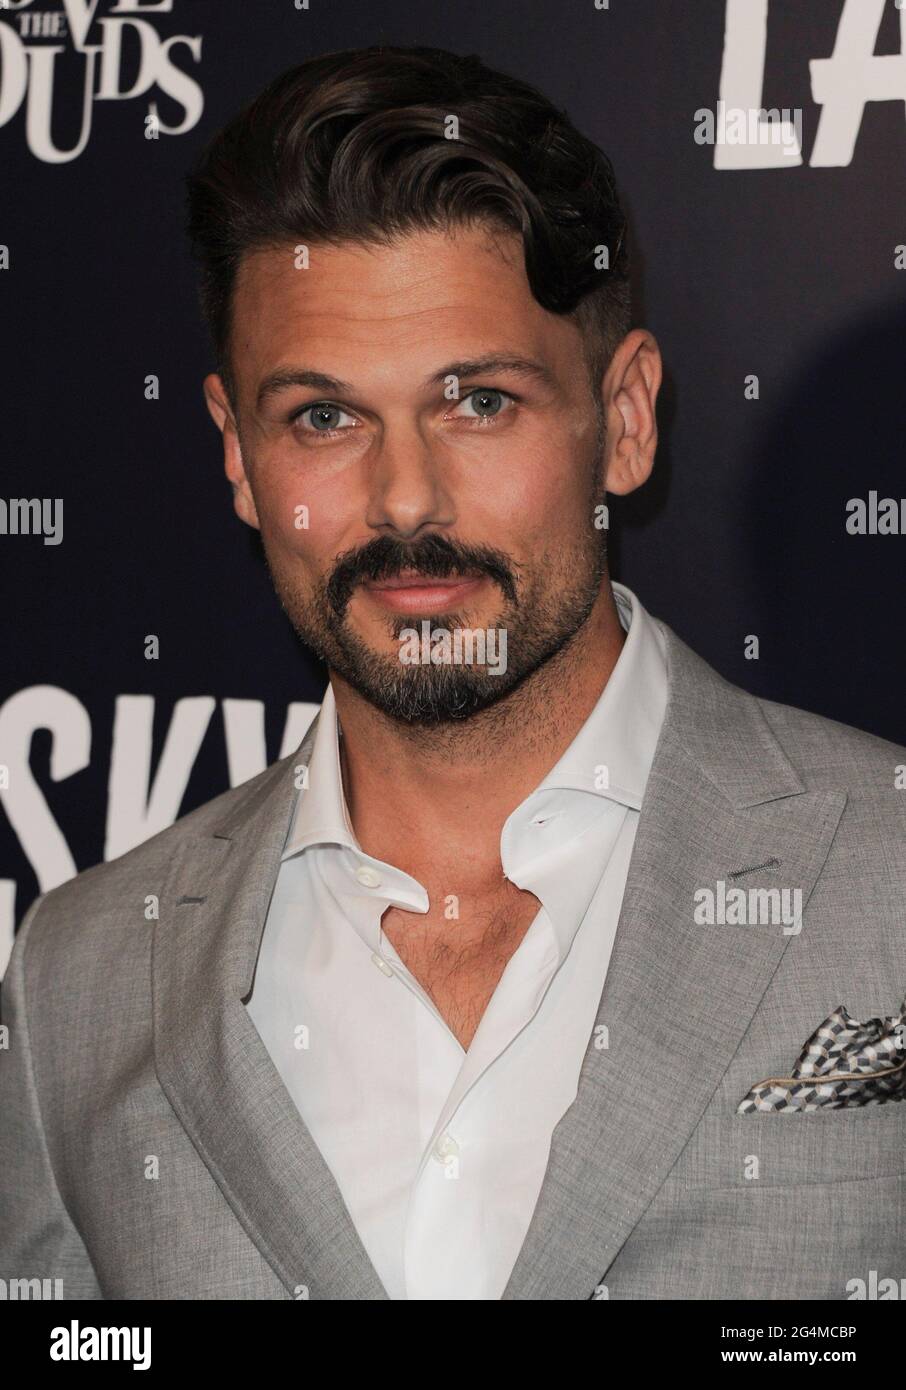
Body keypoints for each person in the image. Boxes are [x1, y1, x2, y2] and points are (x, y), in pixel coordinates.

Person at [1, 45, 904, 1302]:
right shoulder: (78, 978)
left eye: (478, 401)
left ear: (626, 417)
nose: (404, 498)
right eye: (323, 416)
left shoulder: (889, 873)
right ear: (237, 455)